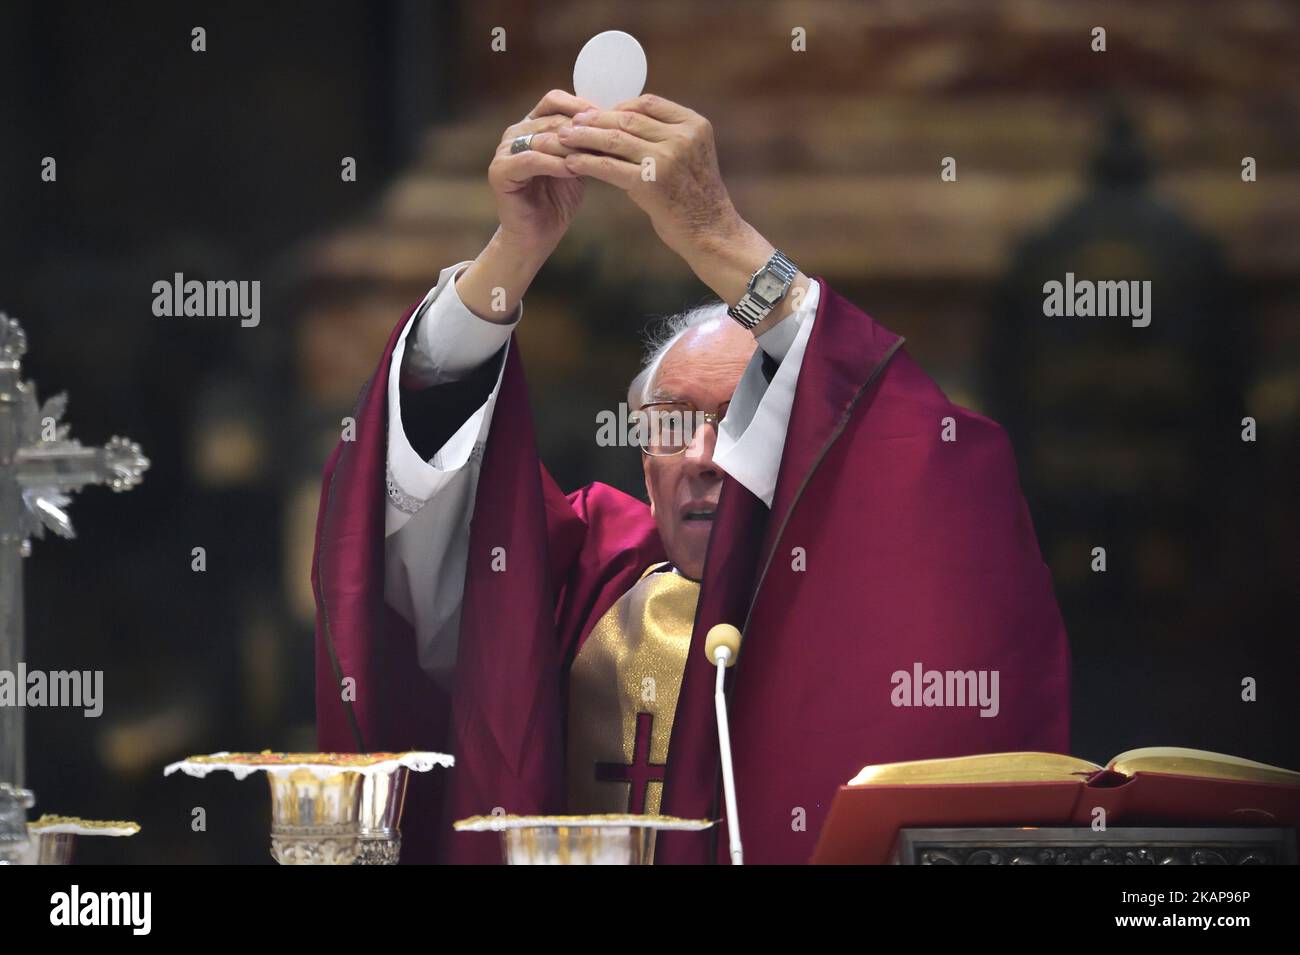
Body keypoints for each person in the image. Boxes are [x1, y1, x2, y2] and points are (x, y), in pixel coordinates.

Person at [313, 90, 1070, 864]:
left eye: (740, 419)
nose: (704, 457)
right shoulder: (577, 572)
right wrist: (511, 255)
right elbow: (406, 524)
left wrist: (724, 241)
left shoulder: (846, 598)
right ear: (642, 455)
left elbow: (950, 505)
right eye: (673, 424)